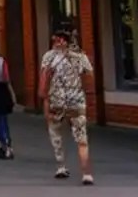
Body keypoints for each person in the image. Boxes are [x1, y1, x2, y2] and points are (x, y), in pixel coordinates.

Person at [39, 28, 95, 185]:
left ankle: (61, 166)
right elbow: (90, 76)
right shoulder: (80, 57)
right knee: (82, 139)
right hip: (76, 101)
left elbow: (44, 80)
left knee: (56, 133)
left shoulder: (49, 57)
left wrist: (44, 100)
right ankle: (86, 173)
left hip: (56, 101)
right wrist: (83, 91)